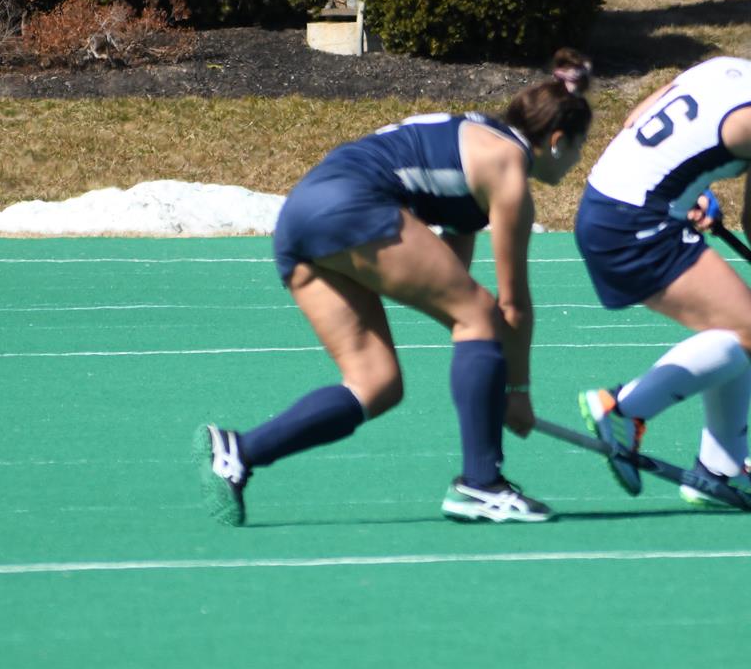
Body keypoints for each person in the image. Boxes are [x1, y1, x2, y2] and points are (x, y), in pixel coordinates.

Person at [197, 51, 595, 525]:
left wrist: (485, 366)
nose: (576, 161)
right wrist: (517, 391)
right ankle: (481, 484)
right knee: (479, 314)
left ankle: (240, 454)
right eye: (578, 148)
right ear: (556, 141)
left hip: (299, 217)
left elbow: (450, 269)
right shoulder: (508, 168)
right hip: (352, 204)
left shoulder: (475, 142)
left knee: (376, 383)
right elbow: (511, 306)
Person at [572, 2, 751, 510]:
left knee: (734, 327)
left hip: (605, 205)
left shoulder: (720, 68)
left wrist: (692, 191)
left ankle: (721, 467)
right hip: (634, 224)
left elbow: (640, 122)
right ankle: (624, 407)